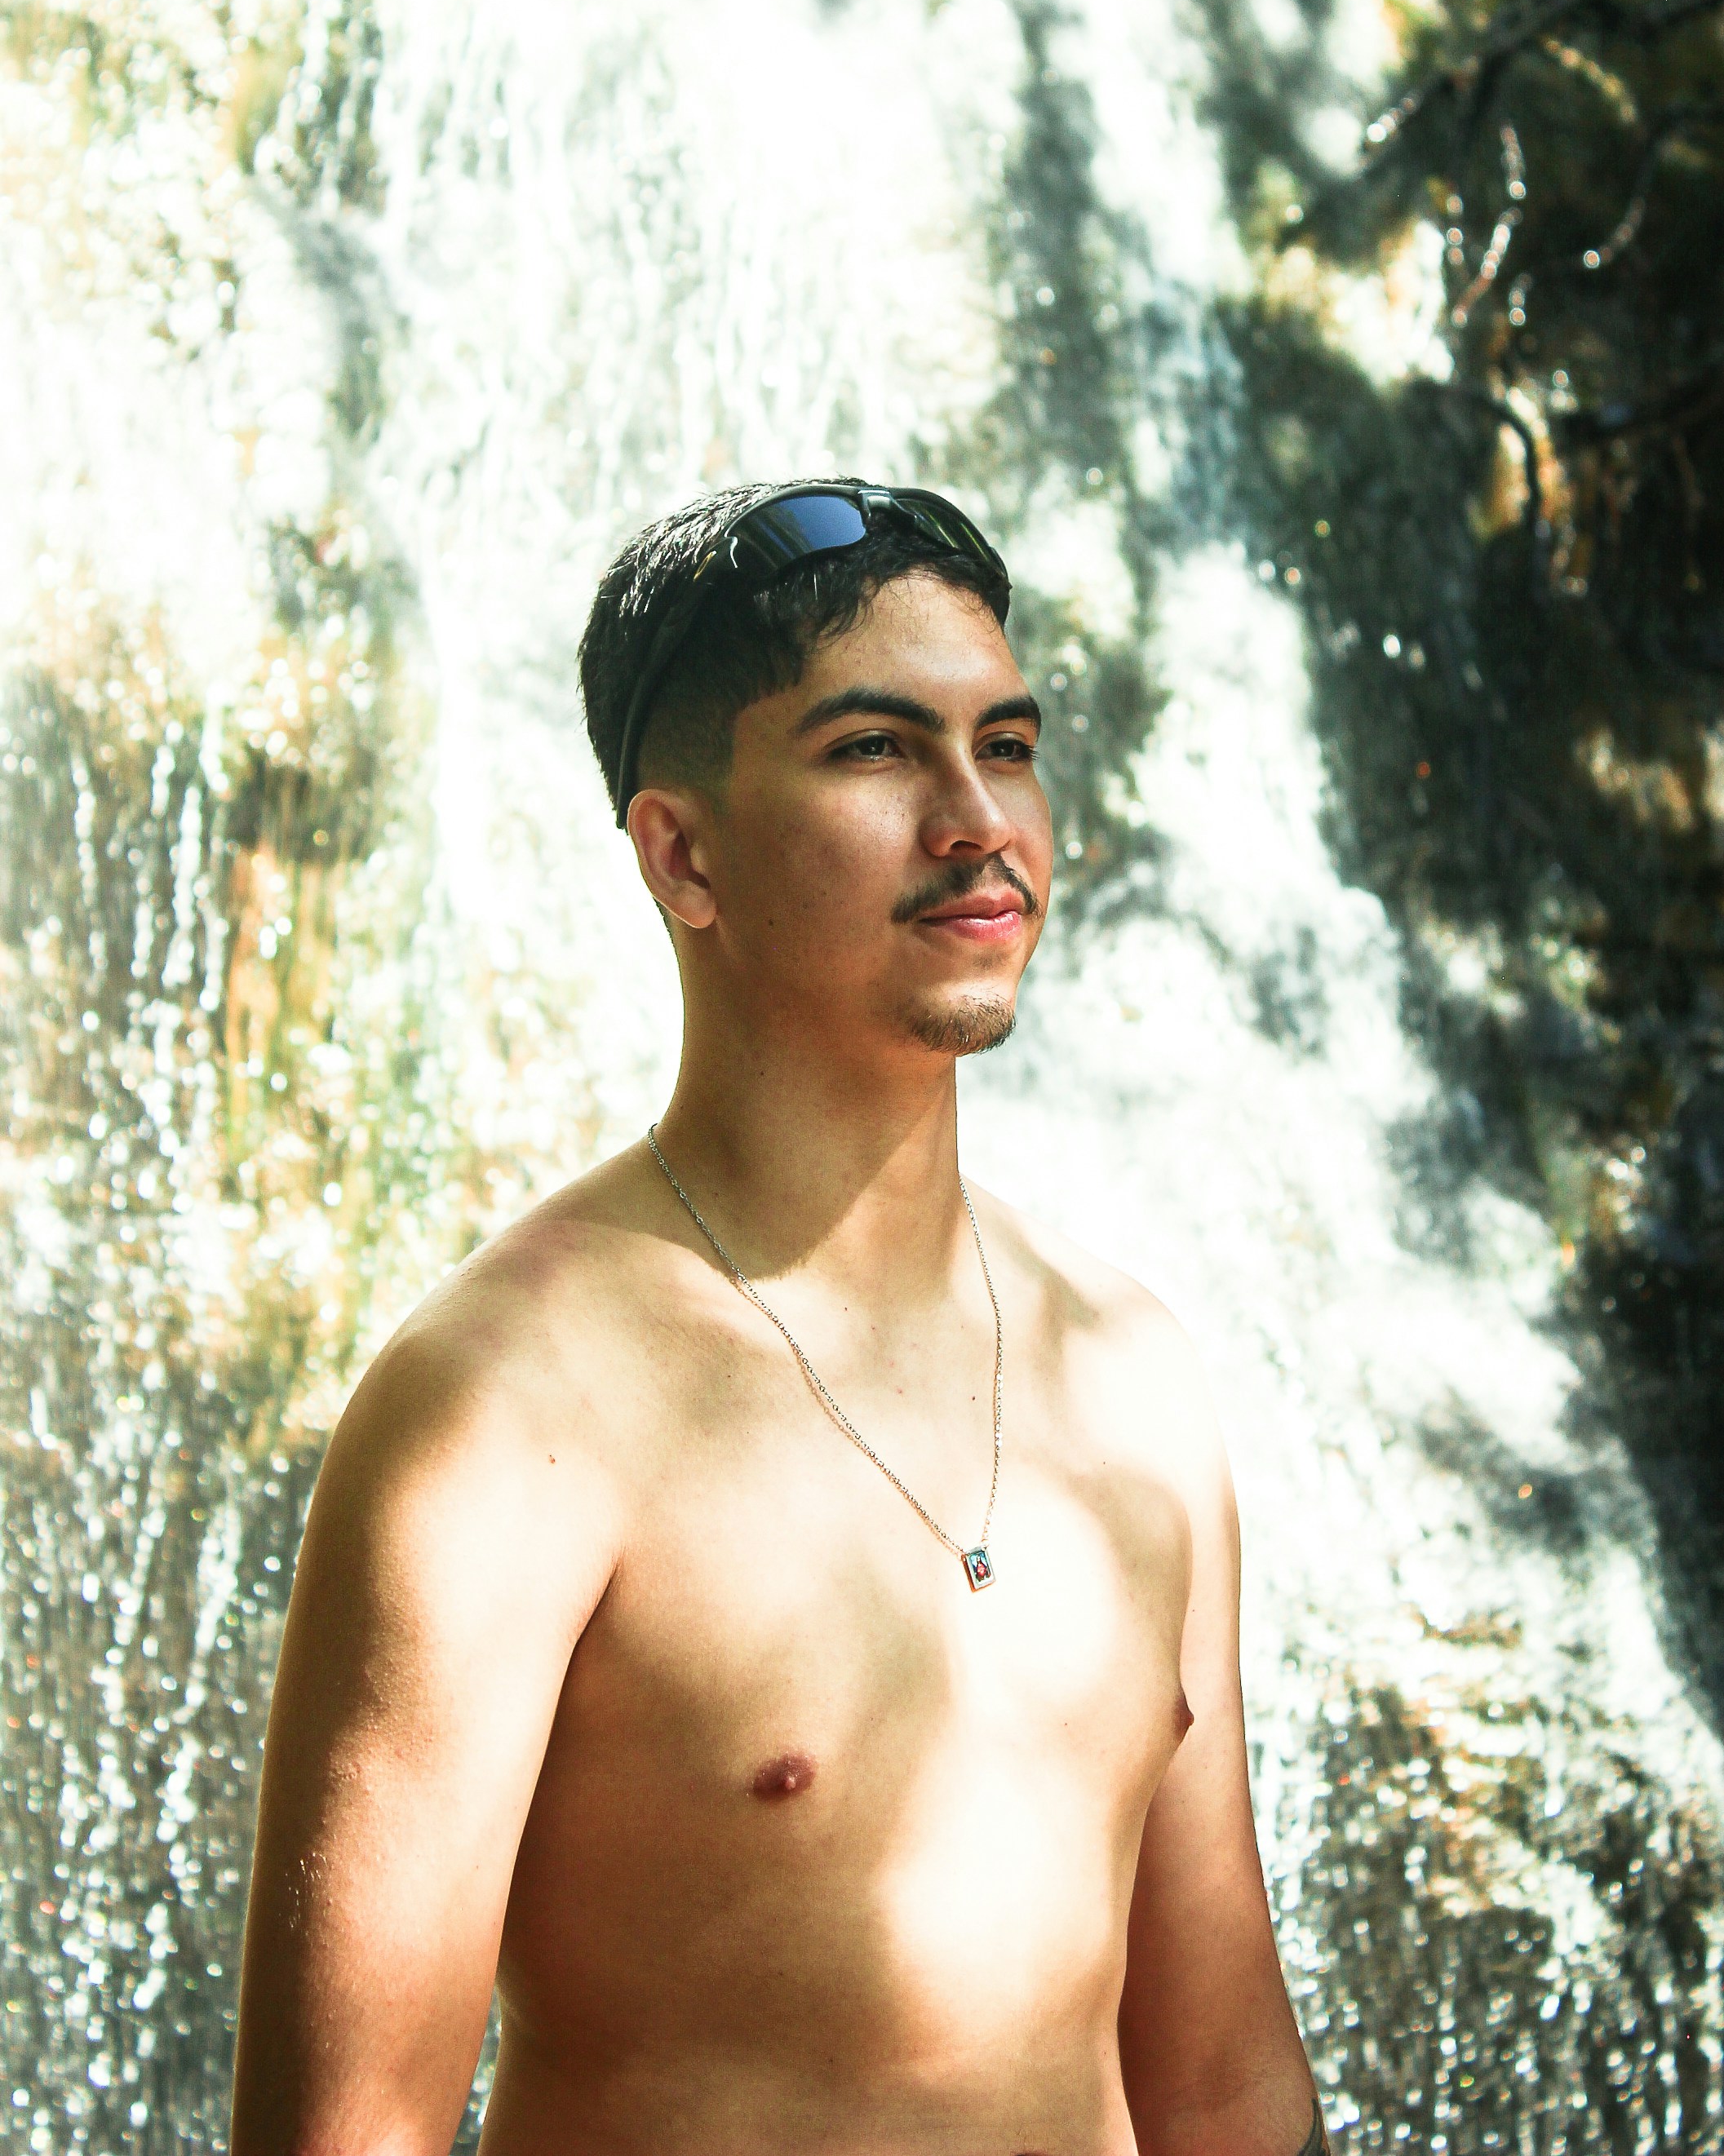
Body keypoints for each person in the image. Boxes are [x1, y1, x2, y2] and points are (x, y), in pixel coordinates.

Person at [232, 480, 1327, 2156]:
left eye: (1009, 744)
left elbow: (1222, 2080)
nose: (979, 820)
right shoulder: (509, 1410)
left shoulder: (1129, 1376)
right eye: (875, 751)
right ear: (682, 852)